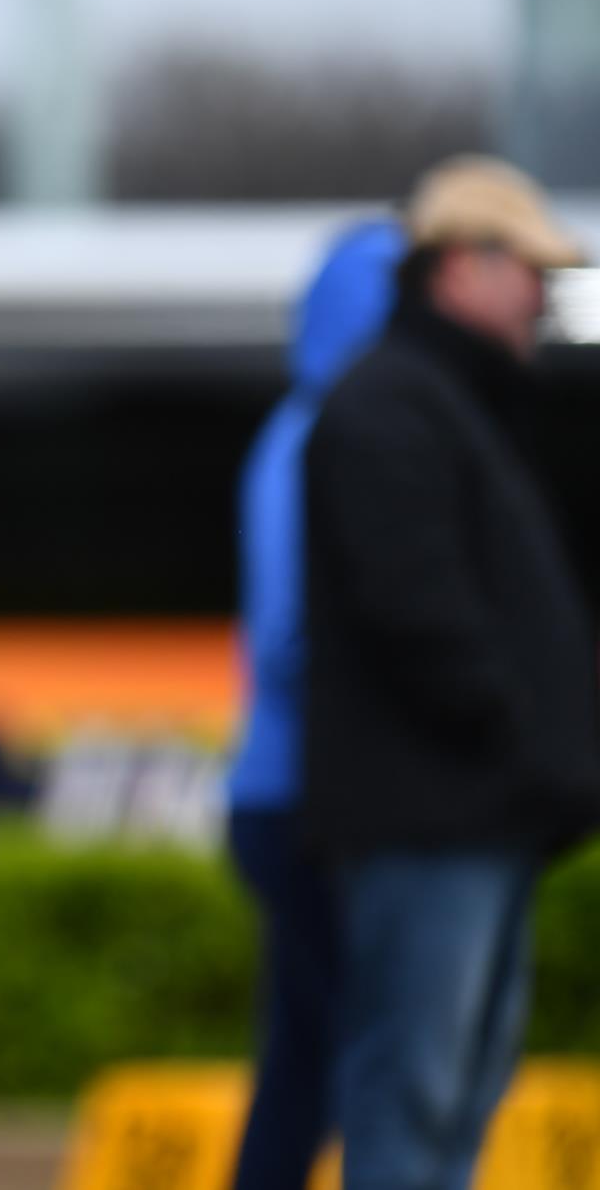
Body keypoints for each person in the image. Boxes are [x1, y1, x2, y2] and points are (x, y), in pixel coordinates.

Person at [303, 155, 600, 1189]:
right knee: (414, 1092)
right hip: (437, 816)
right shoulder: (393, 405)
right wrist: (521, 737)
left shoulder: (439, 401)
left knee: (453, 1095)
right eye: (530, 270)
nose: (543, 297)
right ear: (460, 268)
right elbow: (414, 611)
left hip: (474, 809)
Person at [225, 218, 403, 1189]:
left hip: (286, 789)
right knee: (326, 1058)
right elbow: (291, 637)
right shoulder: (314, 443)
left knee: (304, 1053)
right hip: (302, 795)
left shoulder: (300, 436)